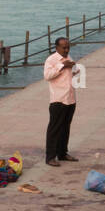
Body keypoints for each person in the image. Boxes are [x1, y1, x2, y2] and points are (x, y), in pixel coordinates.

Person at [43, 37, 79, 166]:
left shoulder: (69, 57)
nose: (66, 50)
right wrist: (62, 65)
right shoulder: (51, 60)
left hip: (70, 98)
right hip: (58, 99)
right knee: (54, 129)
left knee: (65, 128)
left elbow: (71, 73)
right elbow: (47, 76)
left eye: (68, 47)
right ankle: (50, 157)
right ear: (57, 47)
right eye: (64, 47)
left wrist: (75, 70)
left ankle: (62, 153)